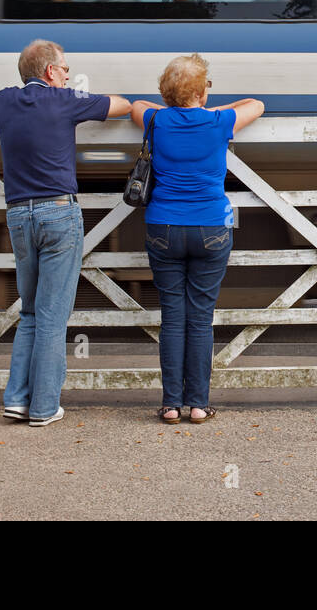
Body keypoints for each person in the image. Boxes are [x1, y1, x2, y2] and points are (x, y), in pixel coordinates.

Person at [0, 39, 131, 426]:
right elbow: (121, 105)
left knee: (30, 312)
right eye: (65, 68)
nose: (69, 74)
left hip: (19, 217)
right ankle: (43, 407)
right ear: (50, 72)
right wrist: (78, 95)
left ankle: (17, 399)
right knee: (54, 316)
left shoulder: (4, 101)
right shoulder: (66, 100)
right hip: (58, 213)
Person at [131, 54, 263, 424]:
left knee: (173, 318)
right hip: (210, 230)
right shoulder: (219, 121)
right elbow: (257, 104)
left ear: (168, 92)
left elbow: (137, 107)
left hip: (163, 229)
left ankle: (171, 404)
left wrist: (178, 103)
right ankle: (199, 405)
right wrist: (210, 106)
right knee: (200, 320)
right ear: (201, 92)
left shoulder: (156, 119)